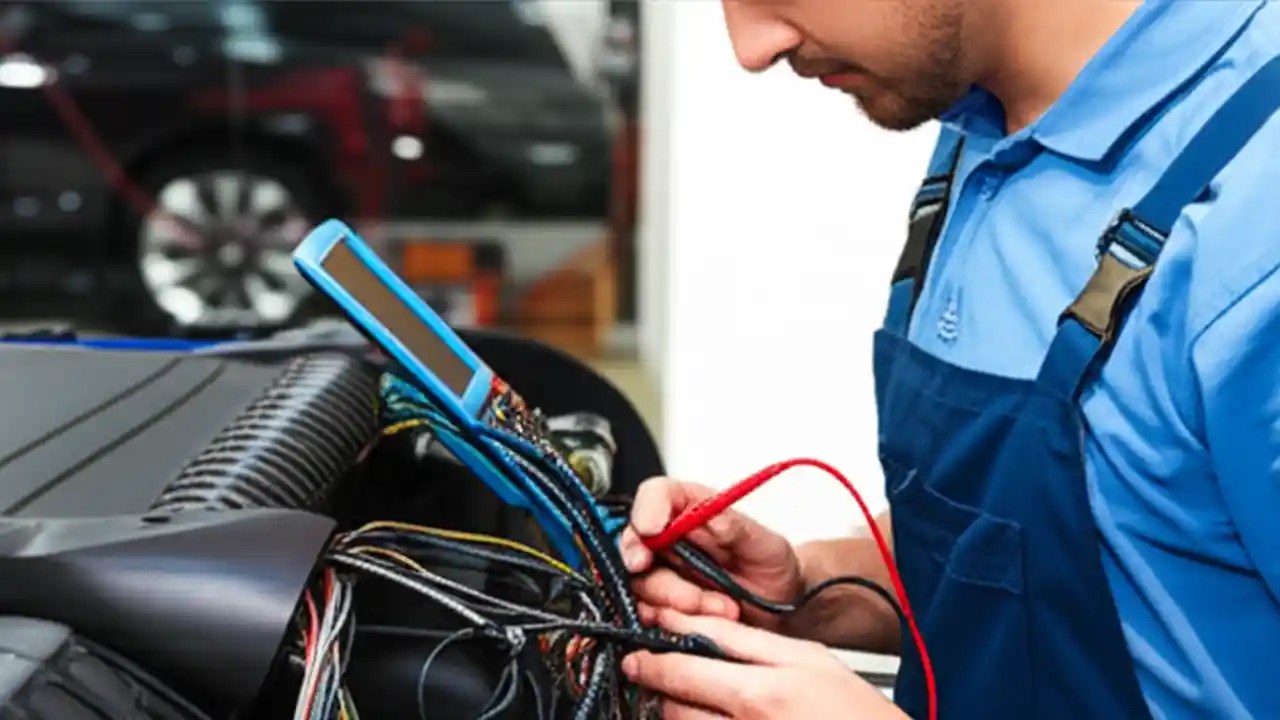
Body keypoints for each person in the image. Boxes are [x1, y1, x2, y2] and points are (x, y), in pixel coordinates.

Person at [616, 0, 1280, 718]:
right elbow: (1090, 554)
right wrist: (817, 589)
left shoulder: (1256, 216)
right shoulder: (984, 125)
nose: (750, 47)